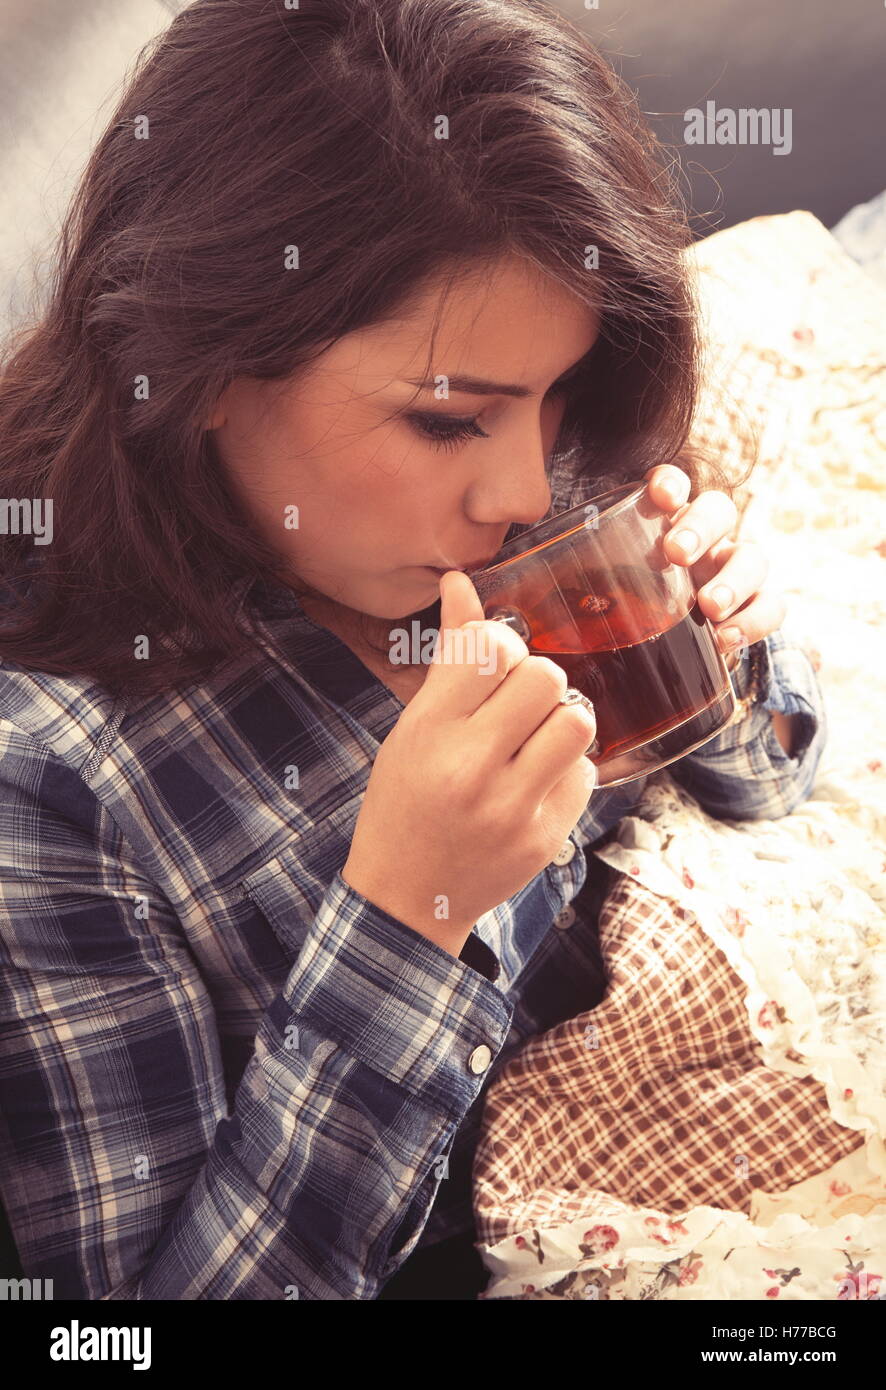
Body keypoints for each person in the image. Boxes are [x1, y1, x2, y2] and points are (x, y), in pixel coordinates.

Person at [0, 0, 824, 1300]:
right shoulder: (50, 777)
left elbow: (764, 787)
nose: (517, 486)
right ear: (205, 363)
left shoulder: (545, 496)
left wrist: (726, 645)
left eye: (553, 396)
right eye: (448, 421)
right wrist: (406, 916)